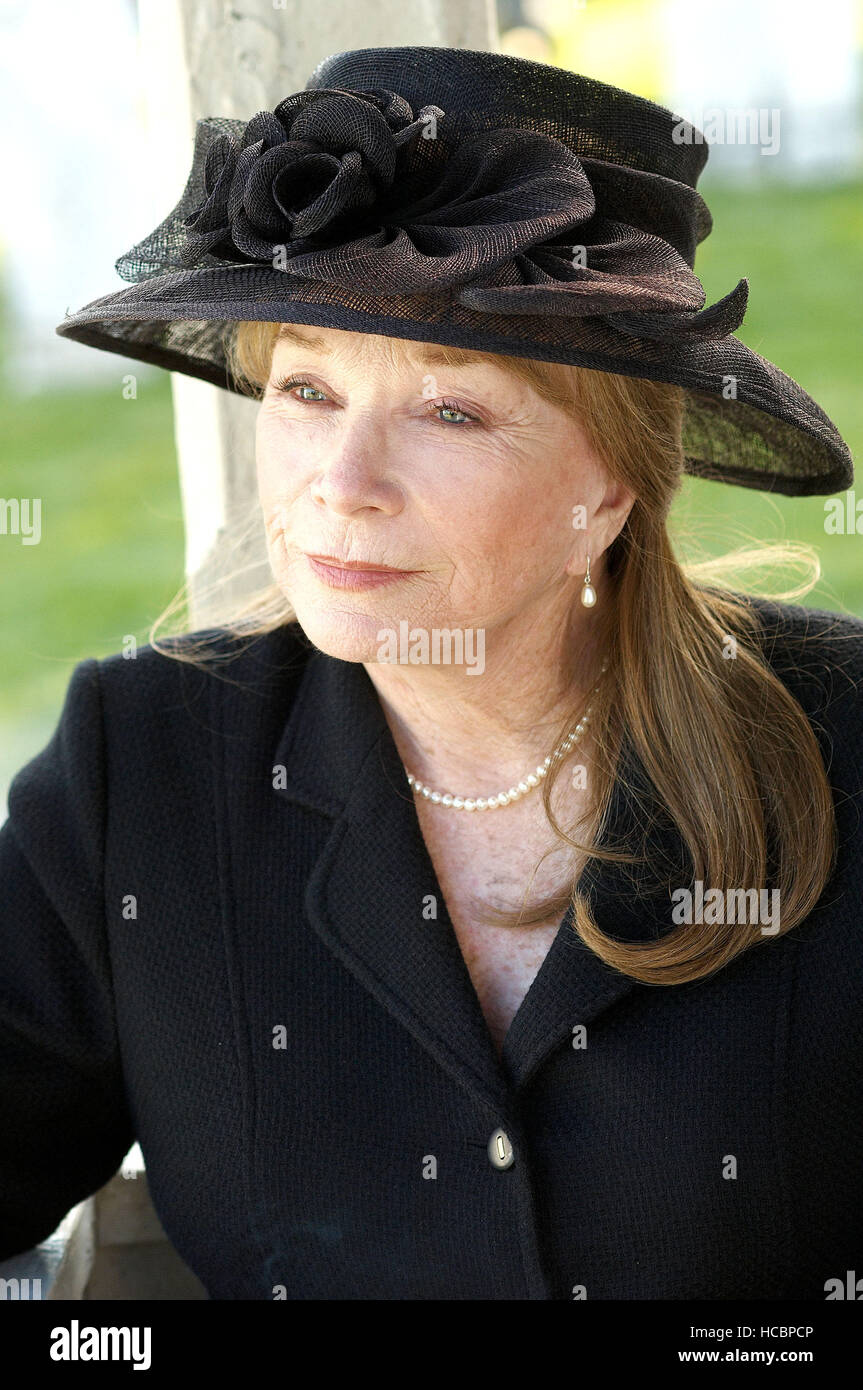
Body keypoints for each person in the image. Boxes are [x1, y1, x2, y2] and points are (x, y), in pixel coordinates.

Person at [1, 47, 860, 1300]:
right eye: (306, 387)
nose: (338, 485)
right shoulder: (141, 766)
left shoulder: (838, 740)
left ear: (609, 485)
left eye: (450, 412)